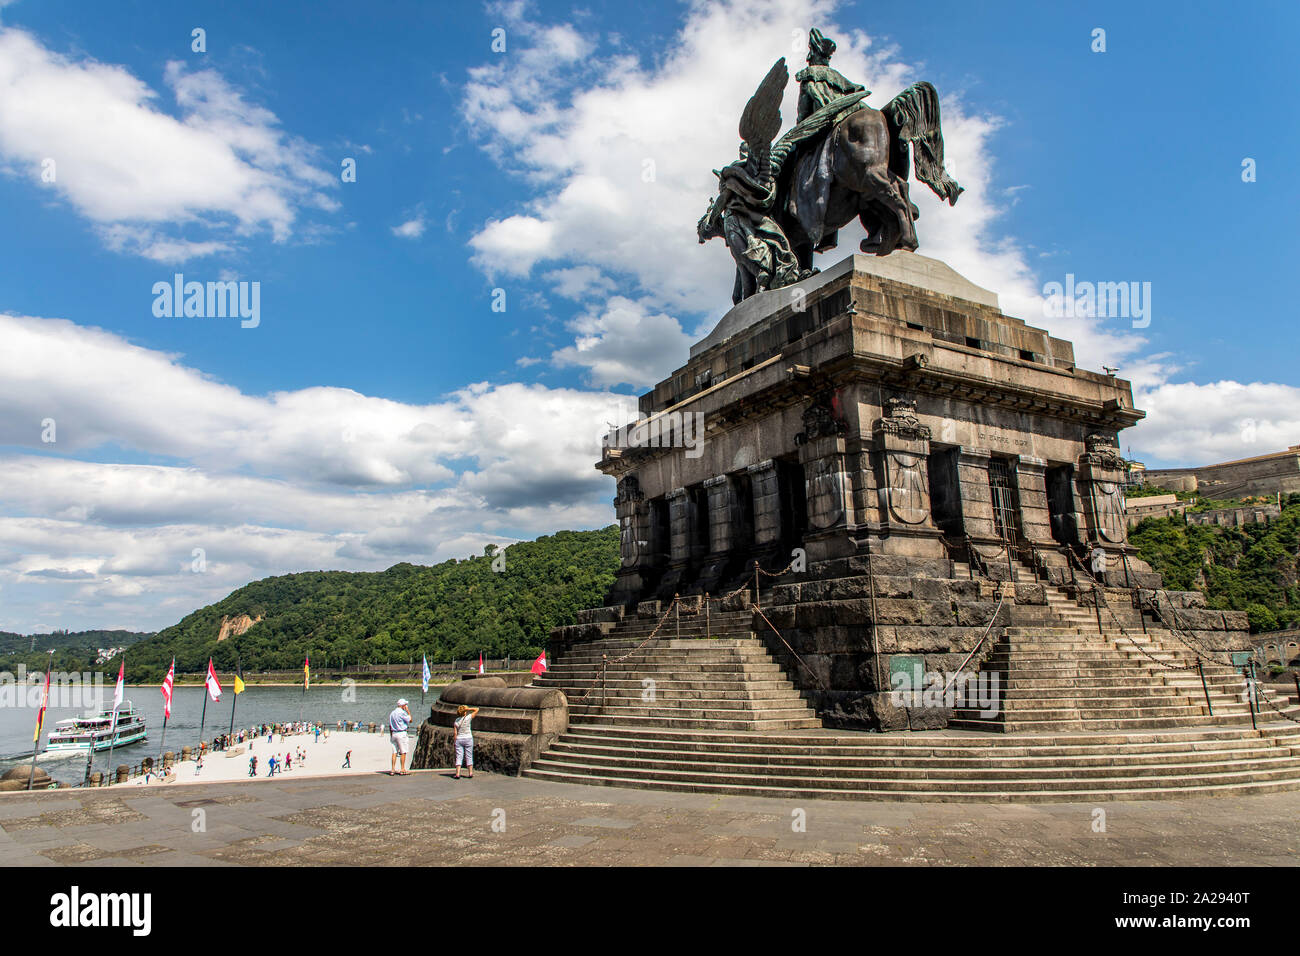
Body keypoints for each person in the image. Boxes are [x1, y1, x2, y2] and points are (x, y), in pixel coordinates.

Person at [388, 698, 413, 775]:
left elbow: (390, 725)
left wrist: (391, 735)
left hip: (394, 733)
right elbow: (410, 720)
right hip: (401, 733)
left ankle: (392, 769)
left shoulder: (392, 713)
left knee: (394, 752)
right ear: (403, 705)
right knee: (403, 752)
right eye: (405, 705)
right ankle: (402, 769)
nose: (406, 706)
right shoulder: (402, 713)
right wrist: (408, 711)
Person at [453, 705, 478, 780]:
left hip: (459, 739)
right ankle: (470, 773)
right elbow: (477, 709)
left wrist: (455, 742)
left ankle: (457, 773)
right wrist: (468, 708)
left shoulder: (456, 721)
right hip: (468, 738)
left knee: (459, 756)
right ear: (465, 712)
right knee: (469, 756)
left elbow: (455, 734)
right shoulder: (468, 717)